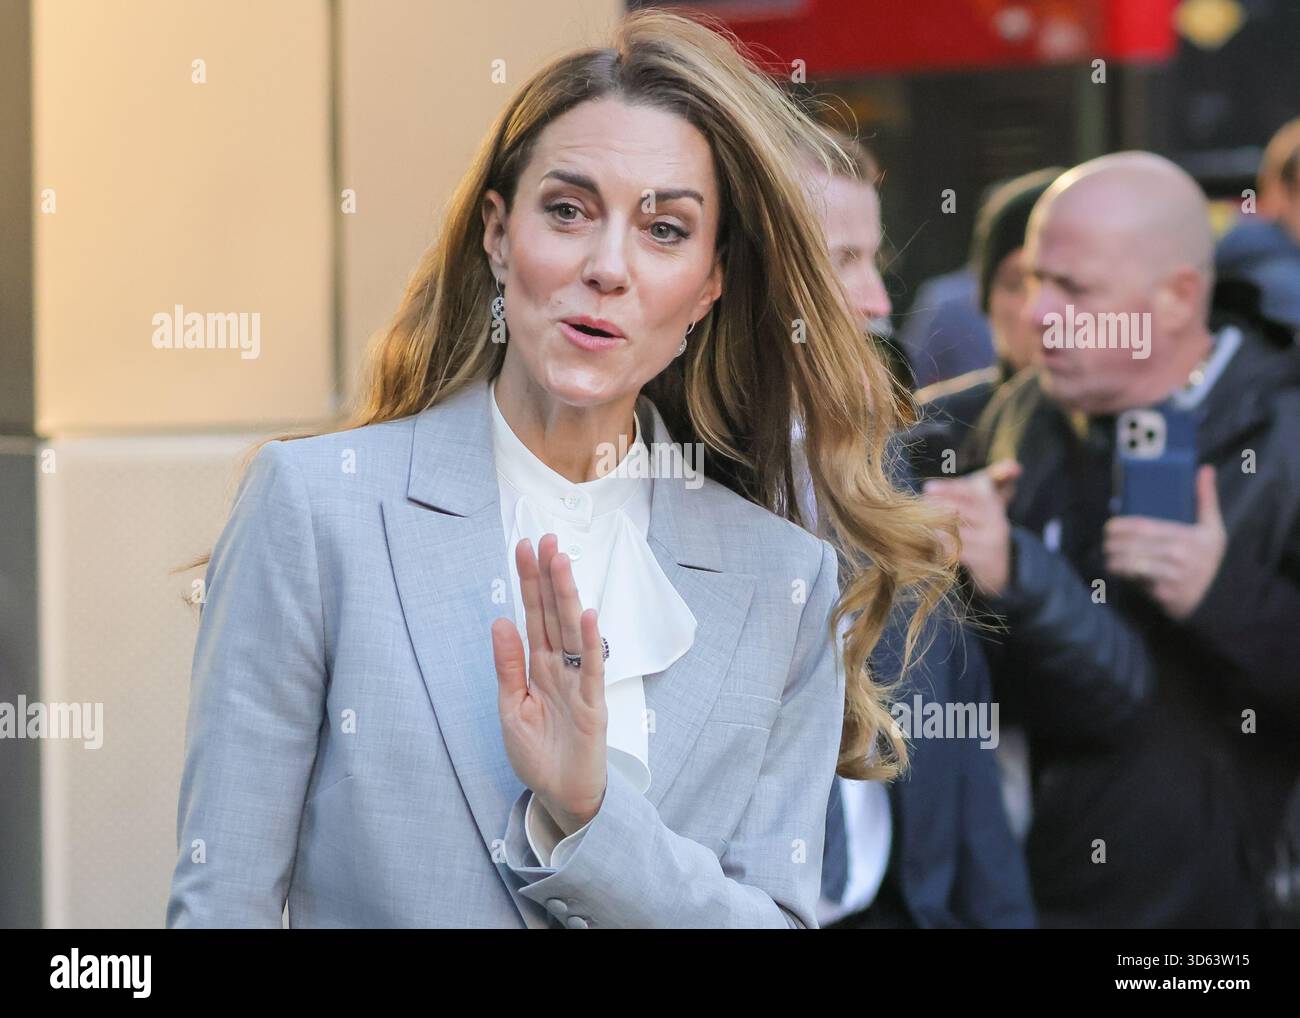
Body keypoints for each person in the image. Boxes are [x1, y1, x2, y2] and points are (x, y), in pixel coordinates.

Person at [165, 9, 953, 929]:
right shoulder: (317, 507)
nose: (606, 266)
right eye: (568, 211)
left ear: (710, 283)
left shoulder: (784, 576)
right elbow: (223, 902)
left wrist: (590, 817)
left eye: (665, 230)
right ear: (499, 235)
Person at [925, 152, 1300, 927]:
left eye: (1074, 290)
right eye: (1031, 283)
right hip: (1047, 896)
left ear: (1176, 297)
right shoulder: (1024, 408)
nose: (1034, 315)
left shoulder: (1286, 429)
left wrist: (1223, 594)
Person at [796, 137, 1035, 928]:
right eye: (843, 260)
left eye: (874, 260)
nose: (875, 299)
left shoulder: (889, 474)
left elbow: (965, 780)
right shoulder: (661, 485)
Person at [909, 169, 1062, 477]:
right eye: (1017, 283)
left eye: (1063, 283)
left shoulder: (1140, 429)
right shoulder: (933, 430)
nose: (1037, 311)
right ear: (984, 296)